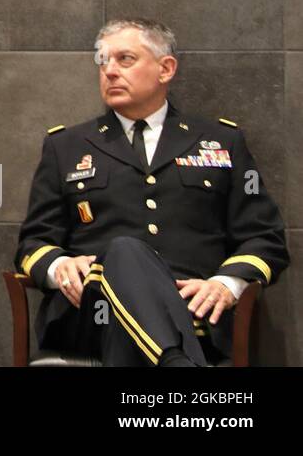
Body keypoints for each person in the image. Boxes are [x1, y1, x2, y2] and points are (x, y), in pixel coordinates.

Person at [15, 18, 288, 366]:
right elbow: (33, 242)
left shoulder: (221, 142)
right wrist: (59, 266)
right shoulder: (66, 146)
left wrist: (225, 284)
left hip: (195, 315)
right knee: (124, 251)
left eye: (125, 59)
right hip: (94, 316)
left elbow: (266, 238)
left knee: (130, 310)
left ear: (166, 69)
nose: (110, 71)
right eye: (103, 61)